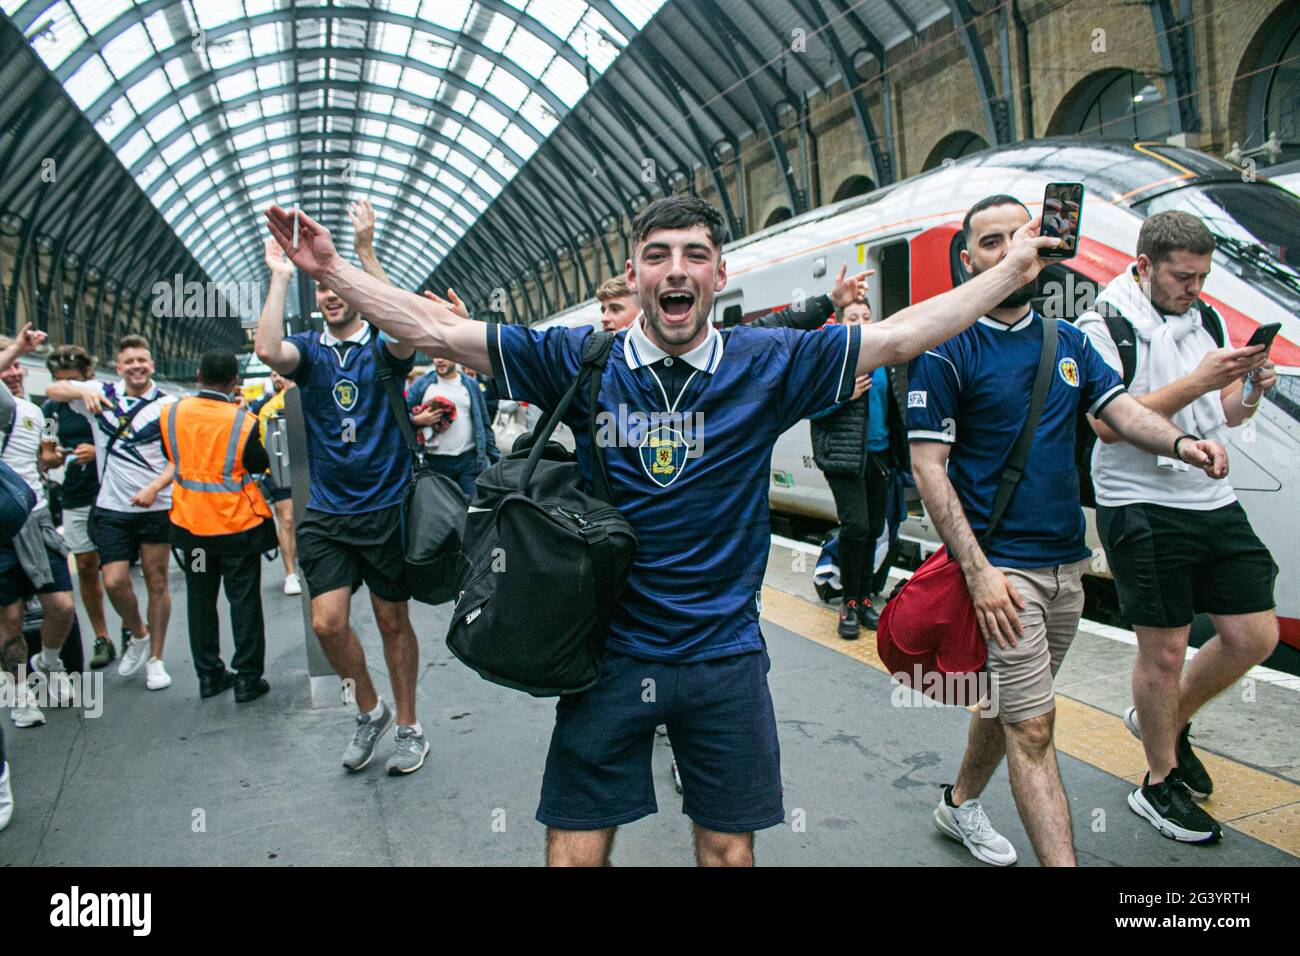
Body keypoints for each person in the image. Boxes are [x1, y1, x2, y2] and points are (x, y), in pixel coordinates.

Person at [265, 191, 1063, 866]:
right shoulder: (584, 360)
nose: (676, 269)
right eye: (657, 256)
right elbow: (438, 331)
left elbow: (900, 335)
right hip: (611, 653)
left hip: (725, 657)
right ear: (636, 274)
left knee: (728, 853)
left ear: (720, 274)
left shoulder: (767, 362)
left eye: (693, 255)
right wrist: (331, 269)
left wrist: (1010, 270)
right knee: (573, 853)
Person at [906, 195, 1229, 867]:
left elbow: (1122, 413)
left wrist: (1181, 444)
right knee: (1034, 727)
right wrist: (978, 572)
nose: (1008, 250)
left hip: (1067, 568)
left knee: (1007, 704)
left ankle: (959, 803)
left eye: (1018, 235)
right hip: (1004, 572)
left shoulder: (1070, 342)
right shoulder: (945, 348)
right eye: (990, 242)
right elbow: (928, 466)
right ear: (968, 262)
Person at [1076, 210, 1278, 844]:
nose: (1195, 288)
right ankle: (1158, 780)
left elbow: (1224, 414)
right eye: (1183, 277)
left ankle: (1161, 719)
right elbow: (1107, 423)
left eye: (1203, 277)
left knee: (1254, 635)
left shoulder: (1205, 319)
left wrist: (1250, 389)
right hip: (1139, 502)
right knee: (1164, 650)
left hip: (1210, 496)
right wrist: (1198, 380)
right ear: (1144, 266)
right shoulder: (1102, 325)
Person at [253, 229, 428, 776]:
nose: (330, 295)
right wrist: (281, 276)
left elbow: (407, 324)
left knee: (391, 620)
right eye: (322, 288)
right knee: (327, 623)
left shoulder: (383, 347)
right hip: (328, 510)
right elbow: (267, 350)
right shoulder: (309, 352)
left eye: (338, 286)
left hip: (386, 505)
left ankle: (409, 727)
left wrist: (366, 254)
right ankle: (370, 710)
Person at [45, 335, 177, 691]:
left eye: (142, 360)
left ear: (152, 365)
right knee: (113, 580)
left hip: (156, 506)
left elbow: (180, 459)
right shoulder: (96, 395)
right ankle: (136, 633)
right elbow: (51, 392)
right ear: (117, 368)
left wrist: (155, 487)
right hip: (107, 506)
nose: (136, 366)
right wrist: (80, 391)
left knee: (157, 581)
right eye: (129, 361)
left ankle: (156, 659)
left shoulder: (169, 405)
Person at [161, 351, 277, 702]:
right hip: (235, 530)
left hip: (192, 531)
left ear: (198, 375)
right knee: (243, 602)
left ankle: (209, 676)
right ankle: (247, 679)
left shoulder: (172, 413)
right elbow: (257, 463)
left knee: (200, 600)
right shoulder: (243, 421)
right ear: (233, 381)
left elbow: (171, 456)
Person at [808, 295, 907, 637]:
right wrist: (844, 394)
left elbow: (893, 408)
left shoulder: (883, 359)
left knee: (875, 527)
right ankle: (848, 603)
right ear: (839, 323)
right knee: (857, 526)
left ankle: (864, 600)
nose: (863, 322)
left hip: (879, 456)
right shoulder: (831, 360)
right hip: (844, 458)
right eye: (854, 317)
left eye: (867, 316)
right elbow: (809, 408)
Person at [0, 326, 76, 726]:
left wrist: (56, 457)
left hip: (37, 518)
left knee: (62, 606)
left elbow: (49, 455)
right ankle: (19, 695)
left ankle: (48, 661)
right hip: (2, 527)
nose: (15, 373)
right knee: (9, 619)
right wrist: (16, 346)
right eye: (8, 367)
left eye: (18, 367)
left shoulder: (39, 412)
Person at [41, 344, 113, 667]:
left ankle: (130, 624)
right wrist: (57, 456)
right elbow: (47, 451)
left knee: (115, 568)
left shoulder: (104, 401)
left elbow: (122, 440)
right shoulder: (50, 411)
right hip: (75, 494)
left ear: (88, 375)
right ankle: (102, 636)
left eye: (71, 379)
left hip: (109, 490)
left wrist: (97, 452)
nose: (65, 386)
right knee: (85, 565)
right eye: (60, 380)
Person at [406, 357, 500, 497]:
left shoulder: (470, 384)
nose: (439, 360)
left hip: (469, 461)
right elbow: (402, 414)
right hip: (434, 462)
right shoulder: (422, 384)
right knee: (442, 508)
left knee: (474, 506)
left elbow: (484, 423)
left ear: (454, 356)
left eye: (443, 355)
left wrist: (495, 458)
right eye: (436, 356)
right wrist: (417, 420)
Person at [250, 371, 301, 595]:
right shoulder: (268, 408)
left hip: (313, 471)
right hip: (281, 473)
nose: (279, 378)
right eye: (274, 375)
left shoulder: (312, 398)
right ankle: (290, 573)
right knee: (287, 519)